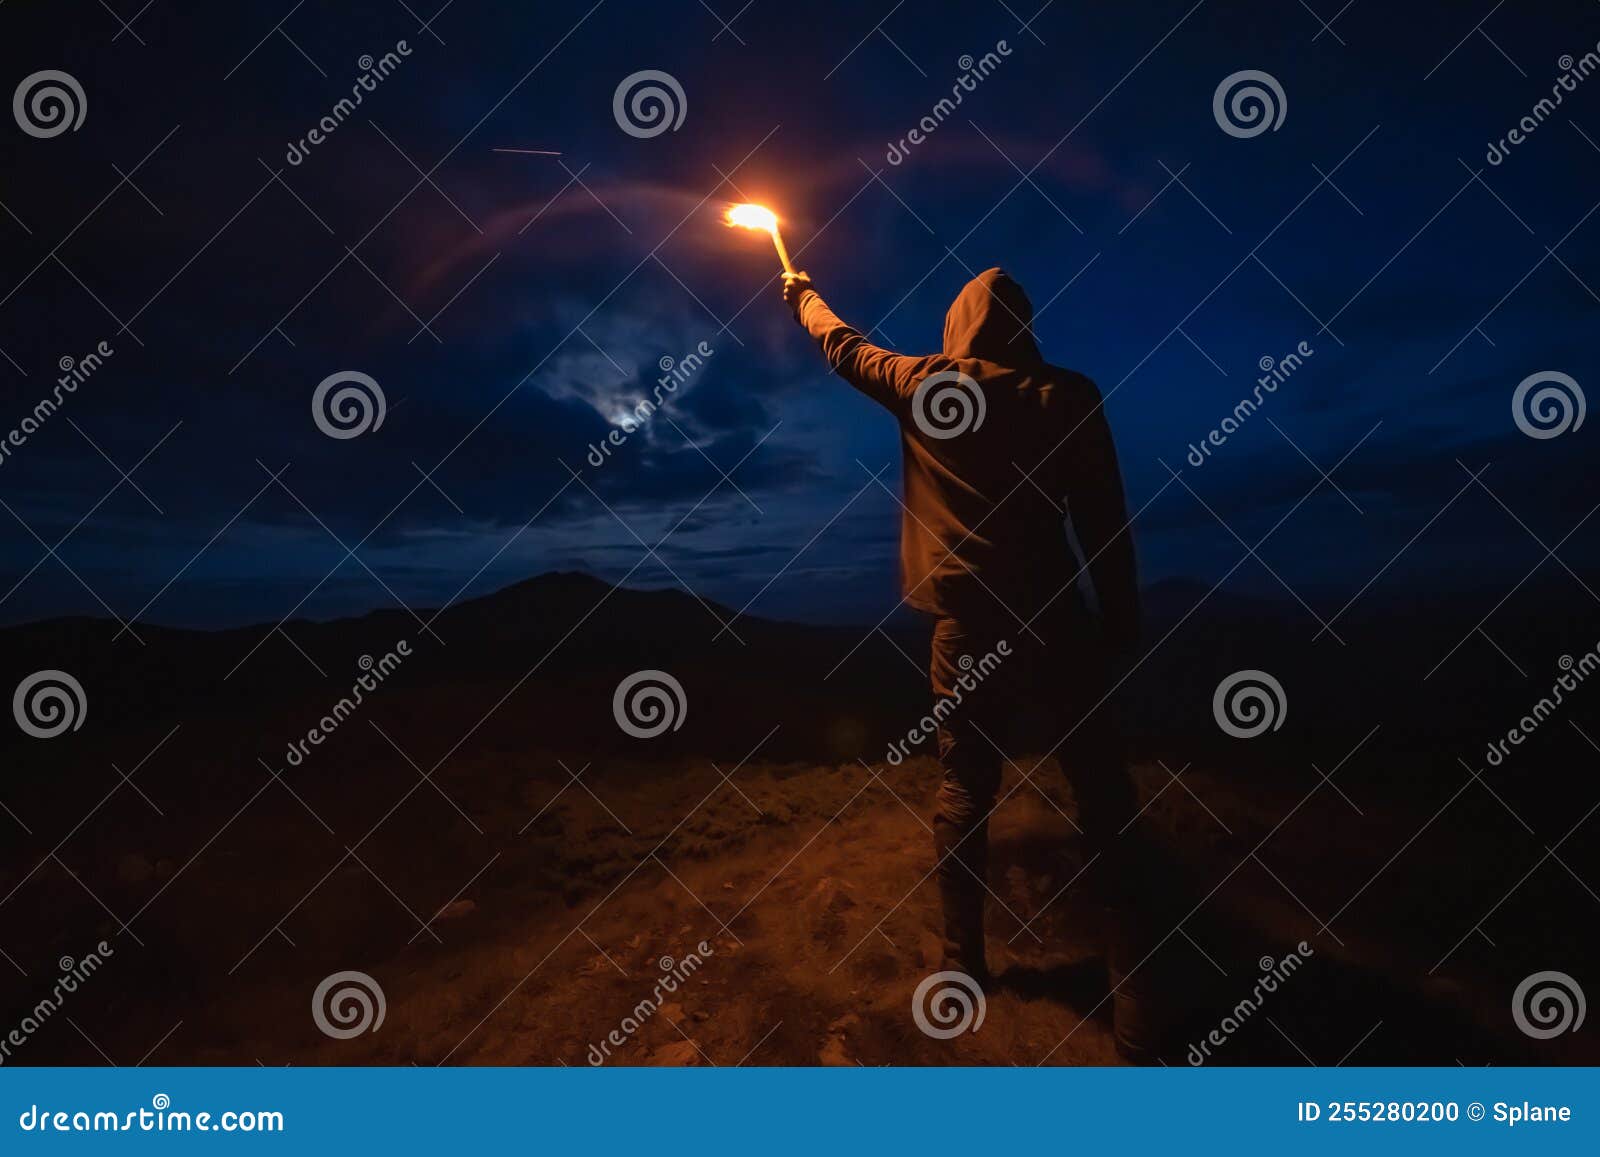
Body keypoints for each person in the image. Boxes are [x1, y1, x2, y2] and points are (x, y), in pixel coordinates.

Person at [782, 266, 1165, 1060]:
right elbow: (1105, 523)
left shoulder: (923, 382)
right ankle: (1139, 1011)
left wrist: (802, 296)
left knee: (963, 789)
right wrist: (1120, 621)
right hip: (1061, 626)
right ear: (1023, 324)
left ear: (959, 323)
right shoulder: (1069, 395)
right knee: (1102, 801)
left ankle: (966, 961)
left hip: (967, 630)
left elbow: (842, 347)